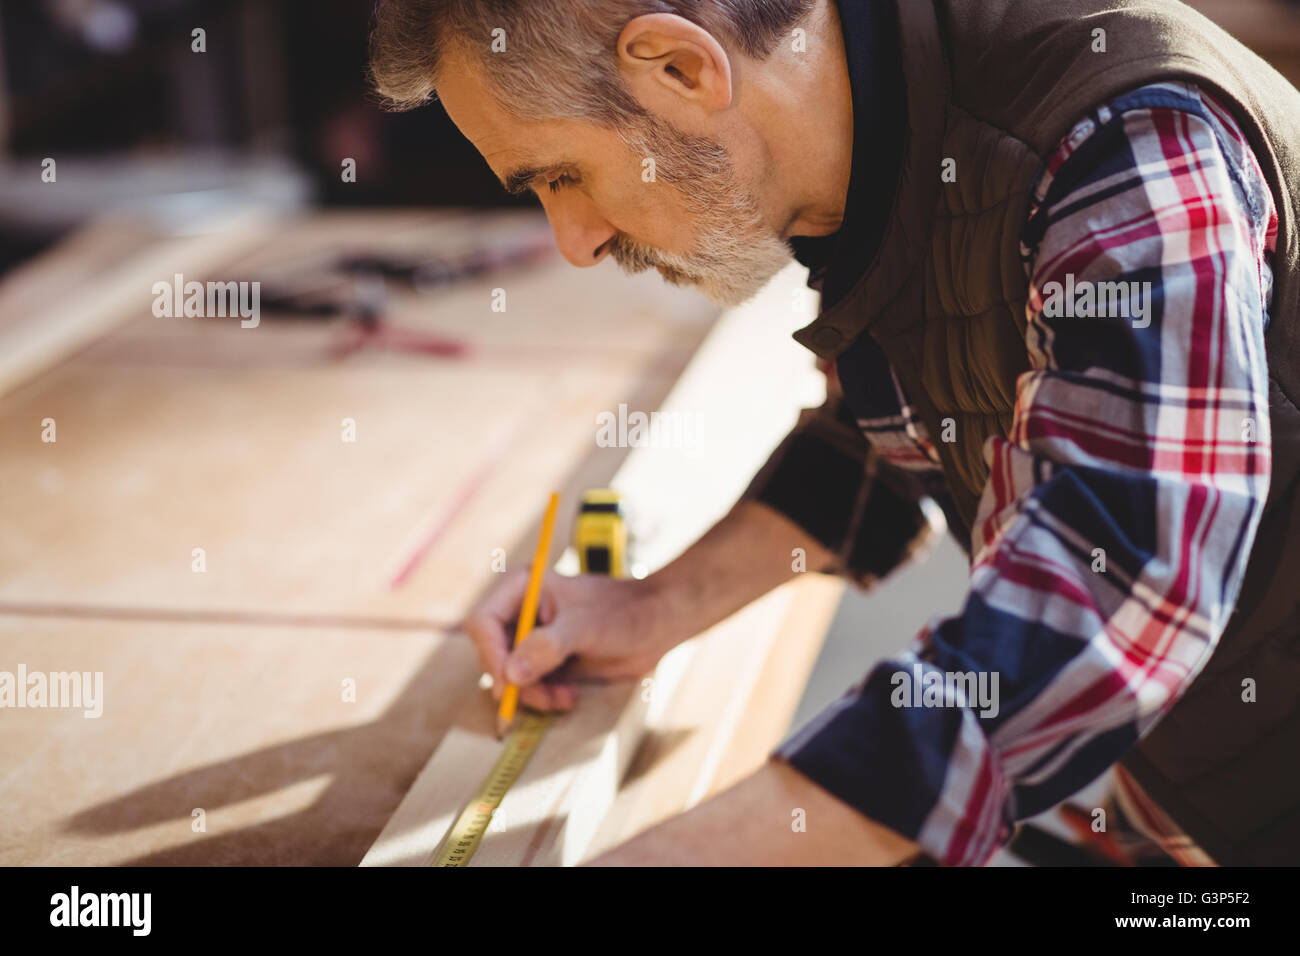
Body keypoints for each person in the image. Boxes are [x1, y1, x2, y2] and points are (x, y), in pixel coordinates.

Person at [370, 0, 1300, 865]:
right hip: (1184, 790)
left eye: (560, 175)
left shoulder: (1127, 141)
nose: (574, 240)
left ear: (683, 68)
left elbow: (1127, 576)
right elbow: (902, 412)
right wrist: (656, 606)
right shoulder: (884, 116)